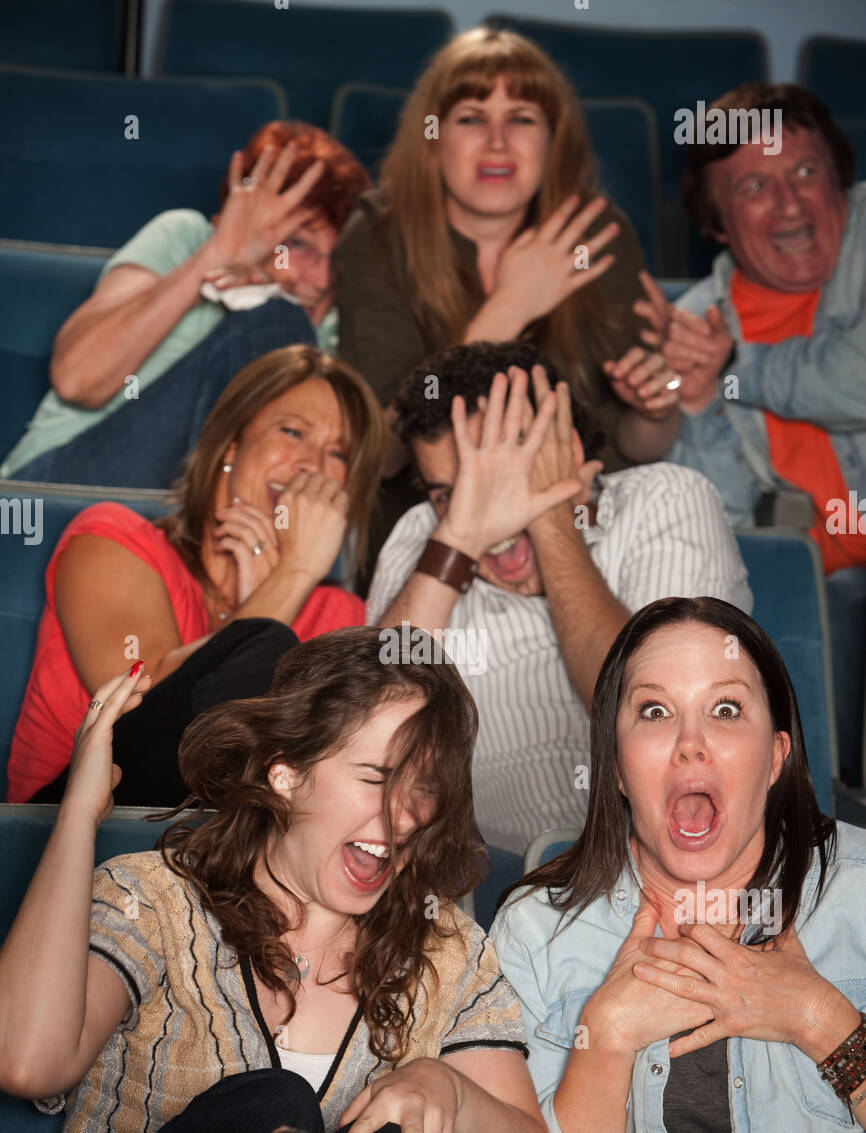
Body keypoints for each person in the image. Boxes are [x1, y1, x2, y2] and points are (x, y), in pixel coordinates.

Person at [0, 629, 550, 1133]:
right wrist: (80, 809)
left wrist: (448, 1090)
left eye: (424, 790)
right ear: (285, 772)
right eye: (375, 777)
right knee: (274, 1107)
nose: (405, 817)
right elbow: (26, 1062)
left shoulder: (447, 950)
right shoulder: (149, 899)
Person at [490, 596, 866, 1133]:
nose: (691, 743)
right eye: (655, 712)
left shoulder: (861, 894)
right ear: (617, 766)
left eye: (726, 711)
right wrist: (605, 1036)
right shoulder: (540, 927)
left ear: (777, 755)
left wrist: (818, 1018)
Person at [366, 342, 751, 868]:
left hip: (674, 869)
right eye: (446, 495)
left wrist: (548, 511)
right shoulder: (423, 540)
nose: (486, 515)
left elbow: (651, 710)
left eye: (495, 479)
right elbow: (367, 733)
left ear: (559, 449)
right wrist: (457, 539)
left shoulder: (667, 499)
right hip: (487, 893)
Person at [334, 26, 682, 575]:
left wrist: (656, 408)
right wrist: (508, 309)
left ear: (553, 139)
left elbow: (635, 446)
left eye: (522, 119)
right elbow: (383, 456)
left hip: (578, 538)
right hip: (434, 545)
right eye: (471, 118)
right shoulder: (376, 235)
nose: (498, 142)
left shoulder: (598, 231)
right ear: (433, 137)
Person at [7, 345, 383, 806]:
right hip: (82, 825)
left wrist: (274, 591)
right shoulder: (111, 540)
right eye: (292, 432)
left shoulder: (341, 615)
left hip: (230, 846)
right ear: (231, 444)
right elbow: (151, 717)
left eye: (338, 455)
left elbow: (315, 790)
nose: (312, 465)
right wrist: (290, 577)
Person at [637, 83, 866, 780]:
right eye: (756, 186)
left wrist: (739, 367)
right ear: (716, 220)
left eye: (805, 172)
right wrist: (702, 400)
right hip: (823, 594)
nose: (791, 203)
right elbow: (718, 530)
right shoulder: (698, 327)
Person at [2, 121, 370, 488]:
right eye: (298, 245)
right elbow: (76, 380)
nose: (321, 280)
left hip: (184, 518)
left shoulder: (328, 320)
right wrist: (213, 260)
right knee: (276, 321)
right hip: (59, 488)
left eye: (334, 259)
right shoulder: (186, 238)